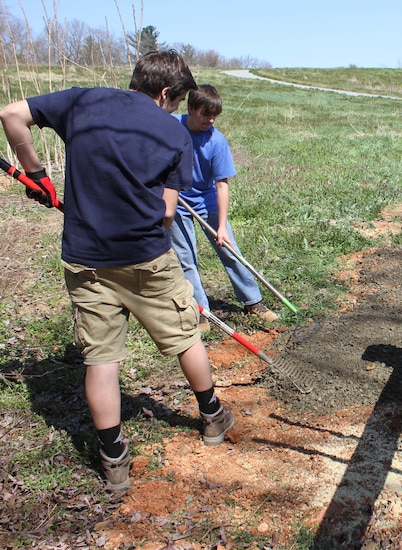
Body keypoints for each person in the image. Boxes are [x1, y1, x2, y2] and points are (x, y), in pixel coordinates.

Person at [0, 51, 236, 490]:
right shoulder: (172, 132)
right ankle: (212, 417)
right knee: (185, 336)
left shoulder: (82, 101)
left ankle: (113, 460)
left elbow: (11, 114)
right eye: (175, 100)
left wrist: (37, 173)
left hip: (85, 257)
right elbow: (167, 214)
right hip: (146, 258)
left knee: (101, 359)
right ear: (166, 93)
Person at [170, 84, 278, 331]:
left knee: (229, 249)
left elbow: (222, 185)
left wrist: (221, 227)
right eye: (204, 114)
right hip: (177, 201)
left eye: (214, 115)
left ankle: (253, 302)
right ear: (190, 108)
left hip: (208, 200)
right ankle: (202, 313)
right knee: (187, 259)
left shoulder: (216, 141)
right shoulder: (171, 127)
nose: (210, 120)